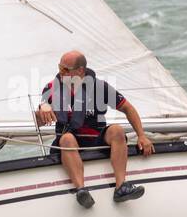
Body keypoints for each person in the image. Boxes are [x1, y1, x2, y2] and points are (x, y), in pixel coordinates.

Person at [36, 51, 154, 208]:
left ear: (80, 71)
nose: (60, 72)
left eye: (65, 69)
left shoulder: (100, 88)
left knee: (117, 130)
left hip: (95, 138)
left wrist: (141, 135)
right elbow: (39, 120)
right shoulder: (51, 88)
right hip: (68, 143)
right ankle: (81, 190)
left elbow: (128, 109)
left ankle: (121, 187)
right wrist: (42, 108)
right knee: (67, 138)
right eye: (60, 68)